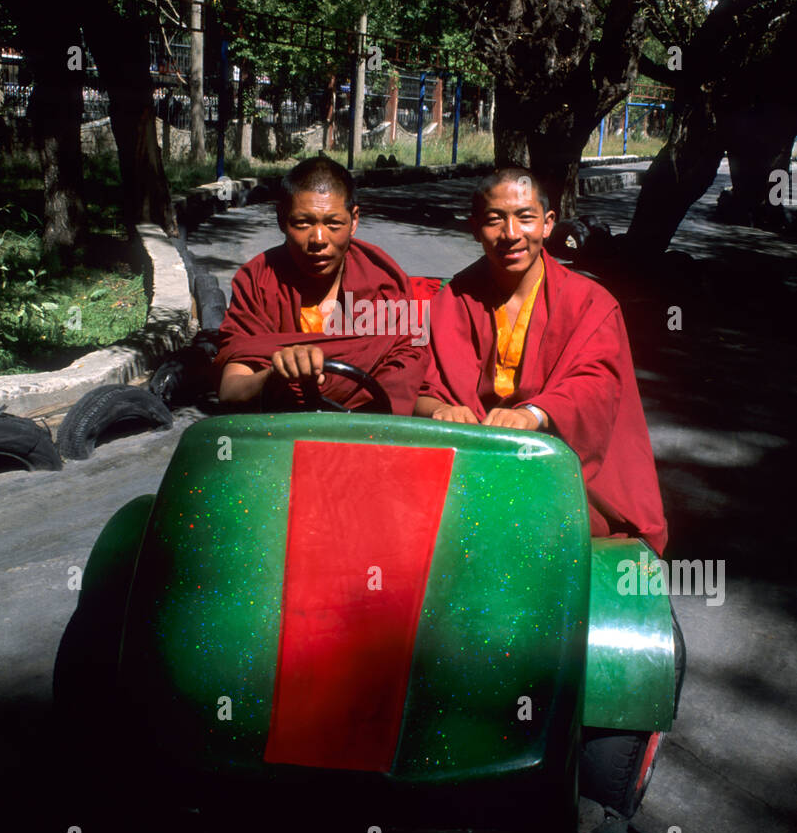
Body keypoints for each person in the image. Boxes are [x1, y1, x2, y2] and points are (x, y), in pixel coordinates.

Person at [415, 166, 668, 554]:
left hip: (559, 476)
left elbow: (595, 384)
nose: (511, 234)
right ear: (475, 227)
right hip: (469, 468)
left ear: (548, 224)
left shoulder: (590, 303)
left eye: (525, 217)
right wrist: (439, 410)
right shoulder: (452, 300)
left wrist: (533, 414)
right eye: (495, 220)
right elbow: (417, 383)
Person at [216, 155, 429, 414]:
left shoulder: (384, 283)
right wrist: (276, 374)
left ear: (354, 221)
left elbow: (409, 376)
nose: (318, 239)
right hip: (277, 432)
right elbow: (230, 390)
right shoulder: (258, 281)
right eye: (303, 223)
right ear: (282, 220)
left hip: (363, 434)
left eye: (333, 224)